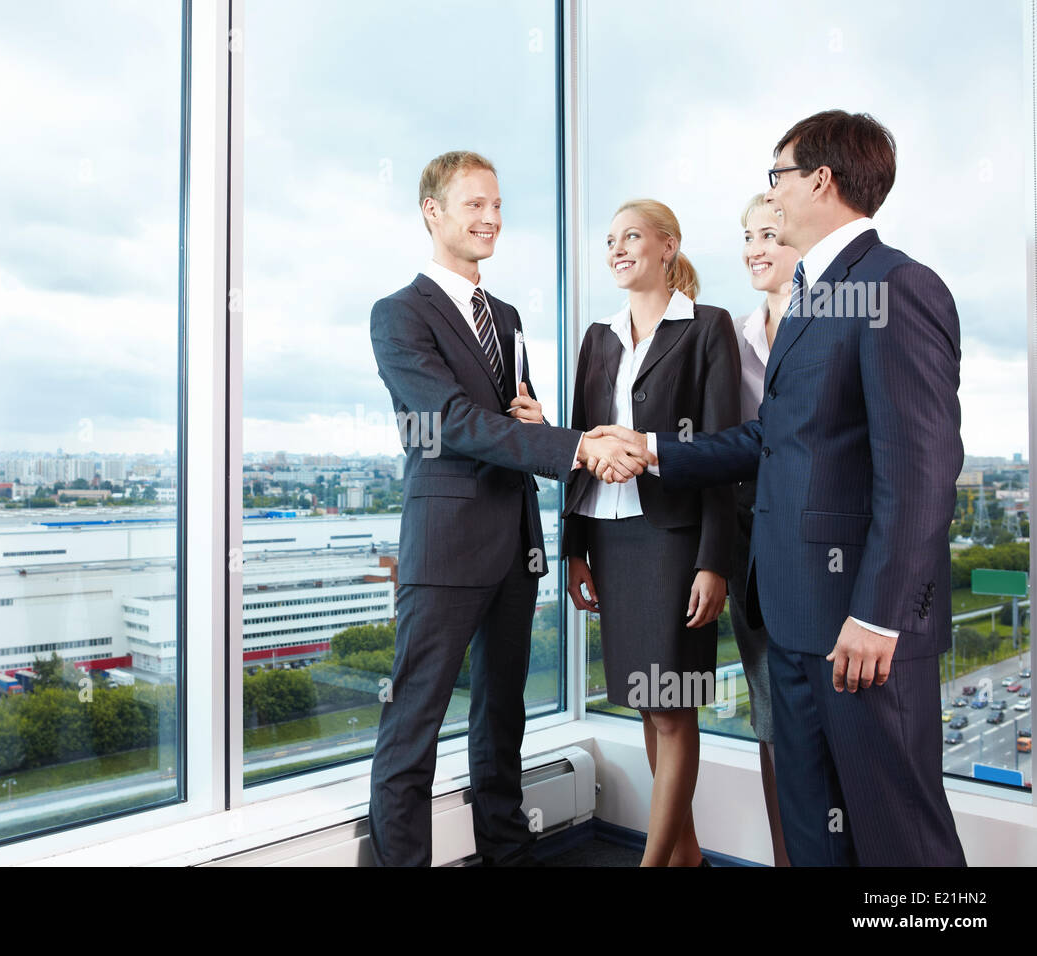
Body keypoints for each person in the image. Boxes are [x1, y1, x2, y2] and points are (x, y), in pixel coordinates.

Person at [597, 111, 967, 866]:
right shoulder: (815, 295)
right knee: (813, 829)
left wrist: (880, 616)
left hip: (860, 634)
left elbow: (924, 470)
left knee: (901, 840)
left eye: (779, 177)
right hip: (793, 619)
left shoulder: (897, 284)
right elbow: (774, 438)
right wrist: (655, 450)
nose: (772, 195)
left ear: (819, 181)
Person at [367, 150, 651, 867]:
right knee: (414, 724)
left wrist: (542, 426)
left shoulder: (509, 315)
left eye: (497, 205)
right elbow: (455, 422)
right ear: (432, 212)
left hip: (515, 543)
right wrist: (577, 446)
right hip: (446, 544)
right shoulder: (399, 315)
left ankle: (506, 851)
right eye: (474, 205)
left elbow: (513, 425)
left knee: (503, 716)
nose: (492, 218)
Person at [561, 199, 739, 867]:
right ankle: (686, 856)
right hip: (610, 537)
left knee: (674, 709)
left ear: (668, 246)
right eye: (610, 241)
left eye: (631, 236)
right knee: (645, 702)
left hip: (674, 540)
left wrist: (713, 559)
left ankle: (652, 865)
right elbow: (582, 441)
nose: (616, 249)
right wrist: (575, 548)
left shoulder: (707, 327)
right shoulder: (598, 336)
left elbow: (721, 452)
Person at [729, 193, 797, 866]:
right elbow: (720, 445)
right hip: (751, 560)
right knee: (771, 724)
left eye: (769, 234)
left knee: (832, 733)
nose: (753, 247)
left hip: (821, 564)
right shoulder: (734, 336)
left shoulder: (835, 323)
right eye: (747, 235)